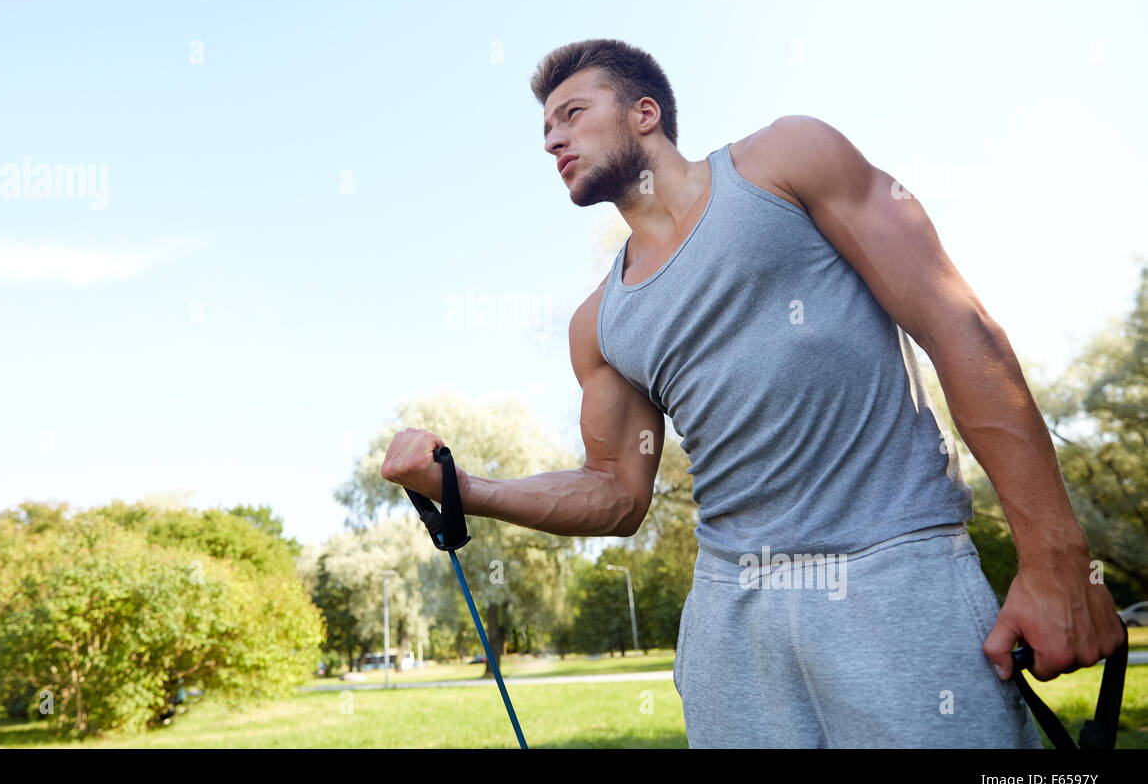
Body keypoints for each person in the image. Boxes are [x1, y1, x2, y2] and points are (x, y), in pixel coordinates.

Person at [379, 38, 1124, 747]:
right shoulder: (599, 323)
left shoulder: (786, 160)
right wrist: (465, 488)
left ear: (646, 113)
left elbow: (958, 328)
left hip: (892, 573)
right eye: (543, 129)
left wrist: (1055, 555)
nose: (551, 140)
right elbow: (615, 492)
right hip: (731, 617)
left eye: (572, 113)